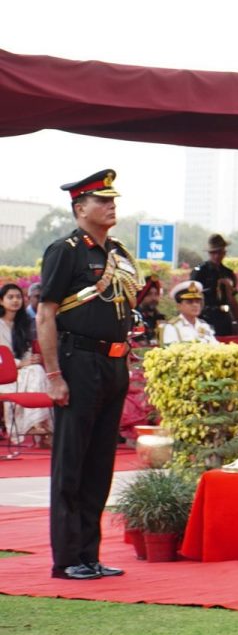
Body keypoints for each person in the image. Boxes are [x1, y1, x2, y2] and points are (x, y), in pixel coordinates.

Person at [35, 169, 138, 581]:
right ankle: (67, 558)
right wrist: (54, 374)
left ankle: (90, 555)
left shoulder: (117, 253)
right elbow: (46, 314)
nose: (111, 205)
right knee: (72, 462)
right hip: (77, 361)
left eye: (112, 199)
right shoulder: (67, 251)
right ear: (80, 209)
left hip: (113, 363)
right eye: (102, 200)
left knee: (100, 464)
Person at [1, 281, 52, 443]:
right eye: (10, 297)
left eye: (18, 297)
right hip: (4, 372)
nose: (15, 300)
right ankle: (37, 425)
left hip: (24, 370)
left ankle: (37, 423)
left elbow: (27, 351)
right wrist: (22, 364)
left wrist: (30, 360)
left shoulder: (25, 324)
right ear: (1, 301)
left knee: (36, 369)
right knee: (35, 371)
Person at [190, 234, 238, 338]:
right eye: (213, 253)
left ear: (224, 253)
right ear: (209, 253)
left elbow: (232, 299)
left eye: (219, 252)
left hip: (224, 317)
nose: (216, 256)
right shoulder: (200, 271)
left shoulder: (228, 273)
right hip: (204, 317)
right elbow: (192, 297)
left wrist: (237, 320)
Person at [132, 276, 163, 345]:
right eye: (149, 294)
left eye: (156, 294)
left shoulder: (160, 318)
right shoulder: (134, 318)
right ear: (141, 297)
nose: (154, 298)